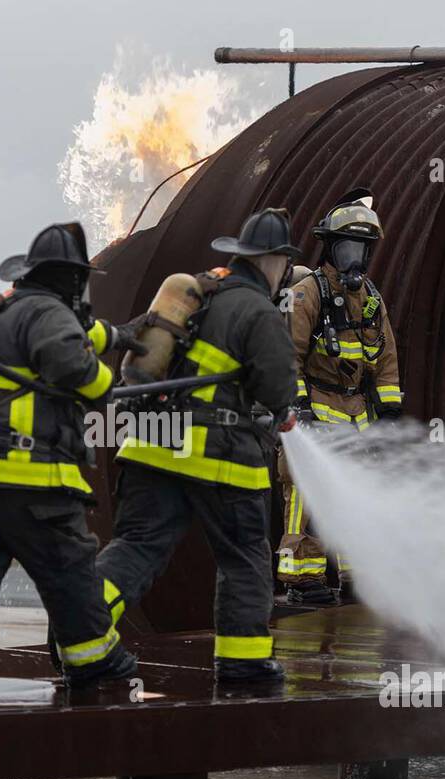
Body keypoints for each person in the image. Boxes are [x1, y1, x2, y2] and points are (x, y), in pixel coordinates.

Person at [0, 222, 146, 700]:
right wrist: (107, 386)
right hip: (29, 481)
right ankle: (94, 661)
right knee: (68, 571)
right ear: (67, 279)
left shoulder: (4, 312)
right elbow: (70, 362)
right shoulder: (48, 311)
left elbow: (81, 335)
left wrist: (122, 335)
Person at [96, 208, 299, 685]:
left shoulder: (198, 294)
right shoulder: (258, 310)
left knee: (138, 546)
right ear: (270, 261)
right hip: (220, 453)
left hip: (153, 445)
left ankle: (79, 631)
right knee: (244, 554)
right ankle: (242, 662)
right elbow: (274, 385)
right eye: (283, 264)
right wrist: (285, 410)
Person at [278, 189, 402, 606]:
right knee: (305, 491)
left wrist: (390, 408)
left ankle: (356, 575)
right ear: (330, 248)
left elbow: (386, 358)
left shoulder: (371, 300)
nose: (355, 258)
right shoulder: (308, 293)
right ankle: (303, 577)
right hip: (317, 406)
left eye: (361, 249)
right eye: (347, 247)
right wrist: (298, 407)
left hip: (357, 415)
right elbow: (288, 355)